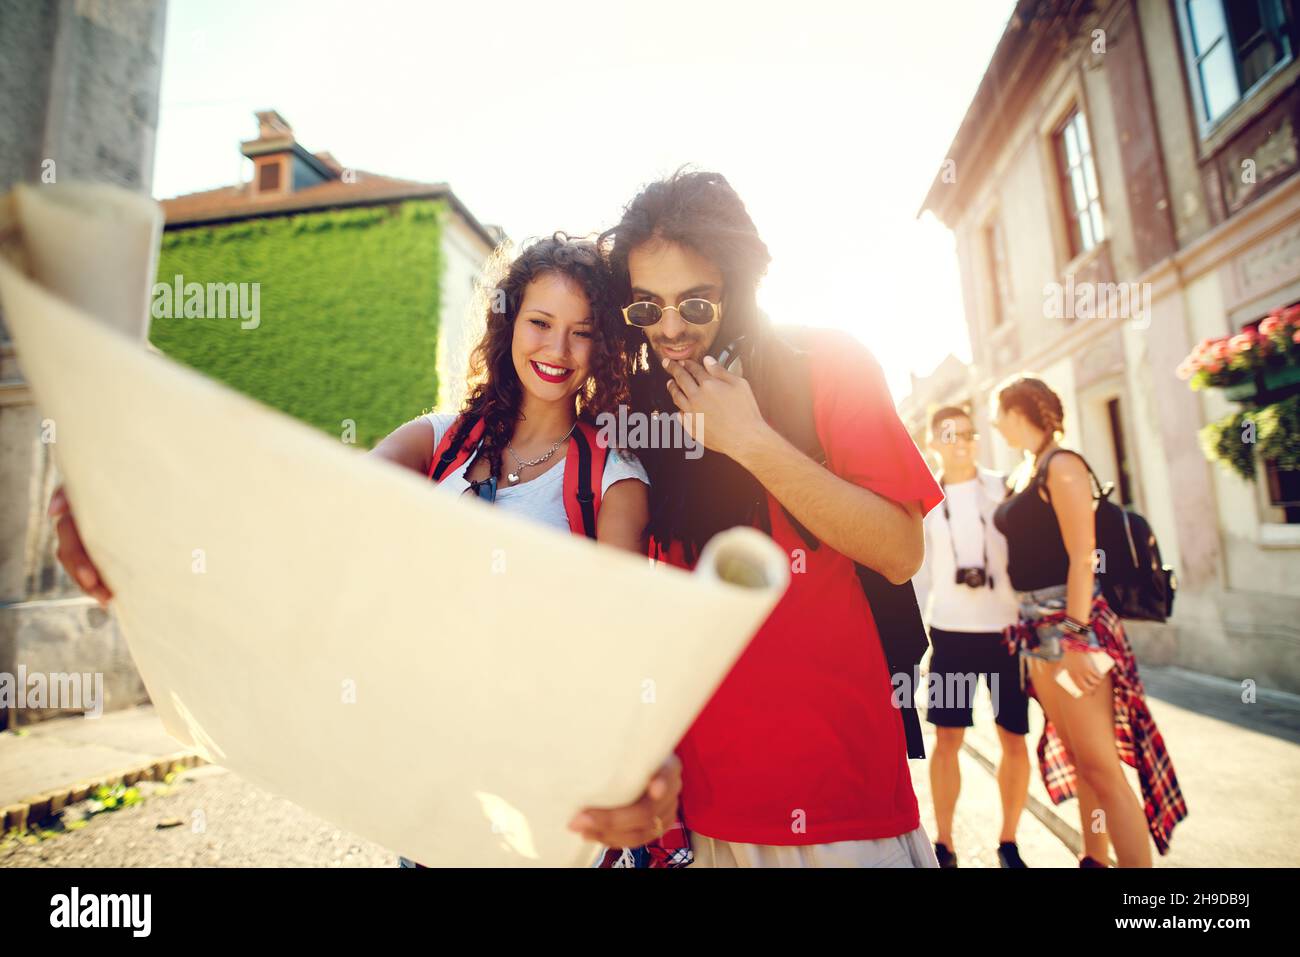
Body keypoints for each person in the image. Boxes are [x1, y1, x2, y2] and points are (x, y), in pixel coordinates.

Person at [49, 234, 685, 865]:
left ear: (603, 345)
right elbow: (324, 506)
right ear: (508, 324)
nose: (557, 348)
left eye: (582, 331)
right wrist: (135, 491)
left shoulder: (613, 475)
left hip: (543, 785)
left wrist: (638, 751)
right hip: (432, 784)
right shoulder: (436, 440)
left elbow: (617, 635)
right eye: (540, 322)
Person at [572, 169, 945, 867]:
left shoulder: (828, 360)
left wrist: (748, 438)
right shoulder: (628, 404)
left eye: (696, 302)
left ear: (738, 285)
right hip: (699, 807)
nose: (671, 328)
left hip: (842, 802)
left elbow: (899, 549)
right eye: (646, 308)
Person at [991, 375, 1186, 867]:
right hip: (1037, 629)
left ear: (1018, 412)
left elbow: (1083, 557)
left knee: (1101, 765)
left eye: (999, 412)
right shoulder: (1027, 470)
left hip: (1072, 626)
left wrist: (1077, 639)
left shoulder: (1064, 464)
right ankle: (1094, 859)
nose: (994, 423)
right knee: (1080, 759)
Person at [913, 405, 1028, 868]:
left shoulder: (1005, 488)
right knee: (947, 739)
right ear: (932, 443)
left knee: (1014, 737)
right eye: (949, 434)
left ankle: (1009, 842)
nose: (960, 441)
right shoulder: (922, 498)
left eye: (968, 433)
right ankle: (944, 843)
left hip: (1006, 631)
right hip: (950, 632)